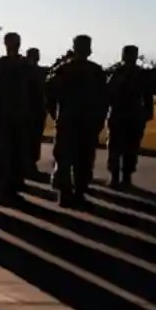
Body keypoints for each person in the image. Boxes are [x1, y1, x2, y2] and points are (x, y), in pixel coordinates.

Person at [46, 36, 108, 207]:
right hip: (85, 121)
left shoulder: (63, 69)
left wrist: (55, 114)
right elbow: (104, 99)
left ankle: (65, 194)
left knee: (65, 159)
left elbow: (48, 94)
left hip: (69, 120)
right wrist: (99, 119)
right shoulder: (95, 71)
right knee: (83, 159)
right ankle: (78, 193)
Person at [104, 45, 153, 189]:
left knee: (125, 148)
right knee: (120, 148)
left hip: (128, 114)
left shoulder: (132, 73)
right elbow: (108, 93)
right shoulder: (119, 73)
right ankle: (119, 177)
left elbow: (147, 95)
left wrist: (147, 112)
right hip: (123, 114)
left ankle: (123, 177)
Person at [0, 32, 32, 201]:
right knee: (3, 154)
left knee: (17, 154)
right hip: (2, 115)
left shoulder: (25, 66)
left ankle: (13, 186)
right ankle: (2, 187)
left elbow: (35, 92)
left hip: (20, 115)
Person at [25, 47, 48, 175]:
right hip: (26, 110)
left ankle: (31, 164)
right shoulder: (25, 72)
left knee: (34, 140)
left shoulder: (40, 72)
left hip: (36, 110)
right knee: (28, 140)